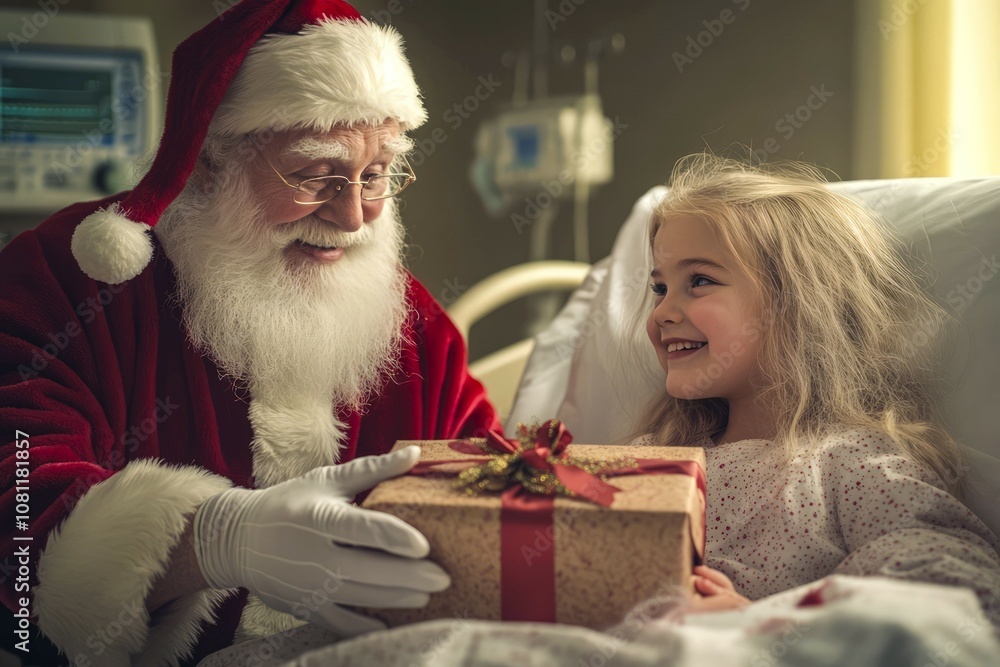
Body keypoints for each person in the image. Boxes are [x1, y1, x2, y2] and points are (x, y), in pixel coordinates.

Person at [0, 1, 500, 665]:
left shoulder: (415, 326)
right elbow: (17, 499)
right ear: (210, 163)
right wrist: (214, 539)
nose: (353, 216)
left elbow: (488, 479)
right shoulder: (65, 278)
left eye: (376, 174)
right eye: (315, 173)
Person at [635, 154, 1000, 618]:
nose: (662, 312)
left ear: (799, 305)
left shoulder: (848, 465)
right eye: (660, 288)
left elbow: (953, 587)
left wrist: (756, 623)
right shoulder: (650, 458)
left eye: (699, 281)